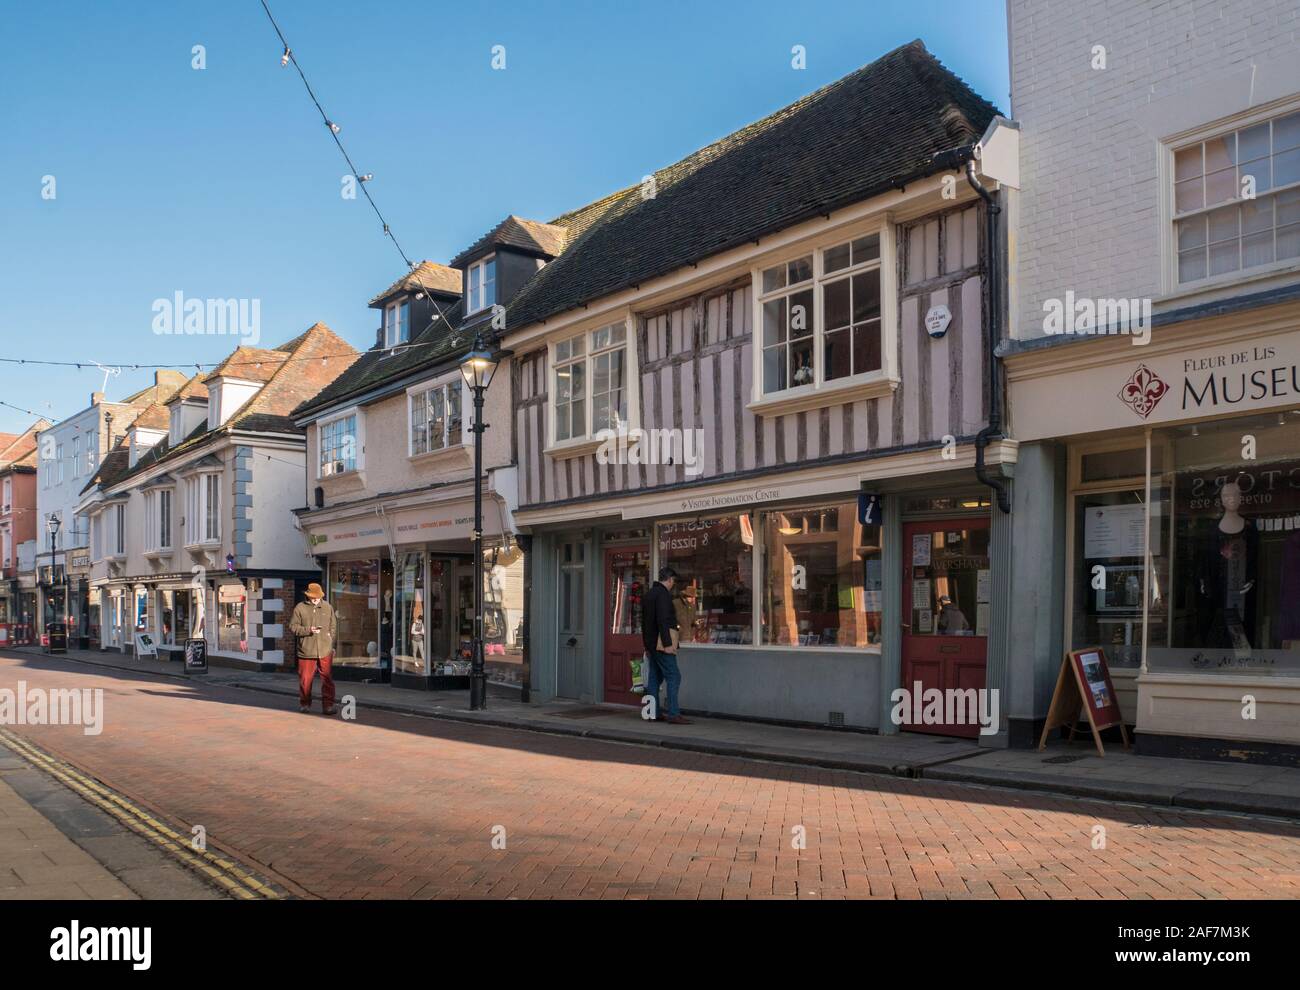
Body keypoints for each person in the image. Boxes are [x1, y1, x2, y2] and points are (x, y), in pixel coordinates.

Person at [642, 566, 690, 724]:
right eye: (673, 581)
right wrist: (668, 644)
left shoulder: (649, 594)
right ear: (670, 579)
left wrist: (647, 646)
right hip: (662, 643)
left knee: (655, 677)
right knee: (674, 676)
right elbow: (662, 620)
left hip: (651, 643)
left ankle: (653, 712)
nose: (672, 584)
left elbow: (645, 623)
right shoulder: (663, 595)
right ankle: (674, 713)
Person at [289, 582, 338, 715]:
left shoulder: (328, 607)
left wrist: (330, 640)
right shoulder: (300, 608)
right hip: (306, 650)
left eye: (317, 596)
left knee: (327, 679)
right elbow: (293, 627)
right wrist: (307, 630)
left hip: (325, 650)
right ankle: (305, 704)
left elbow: (333, 626)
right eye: (313, 597)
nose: (315, 599)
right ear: (308, 596)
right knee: (305, 680)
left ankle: (328, 706)